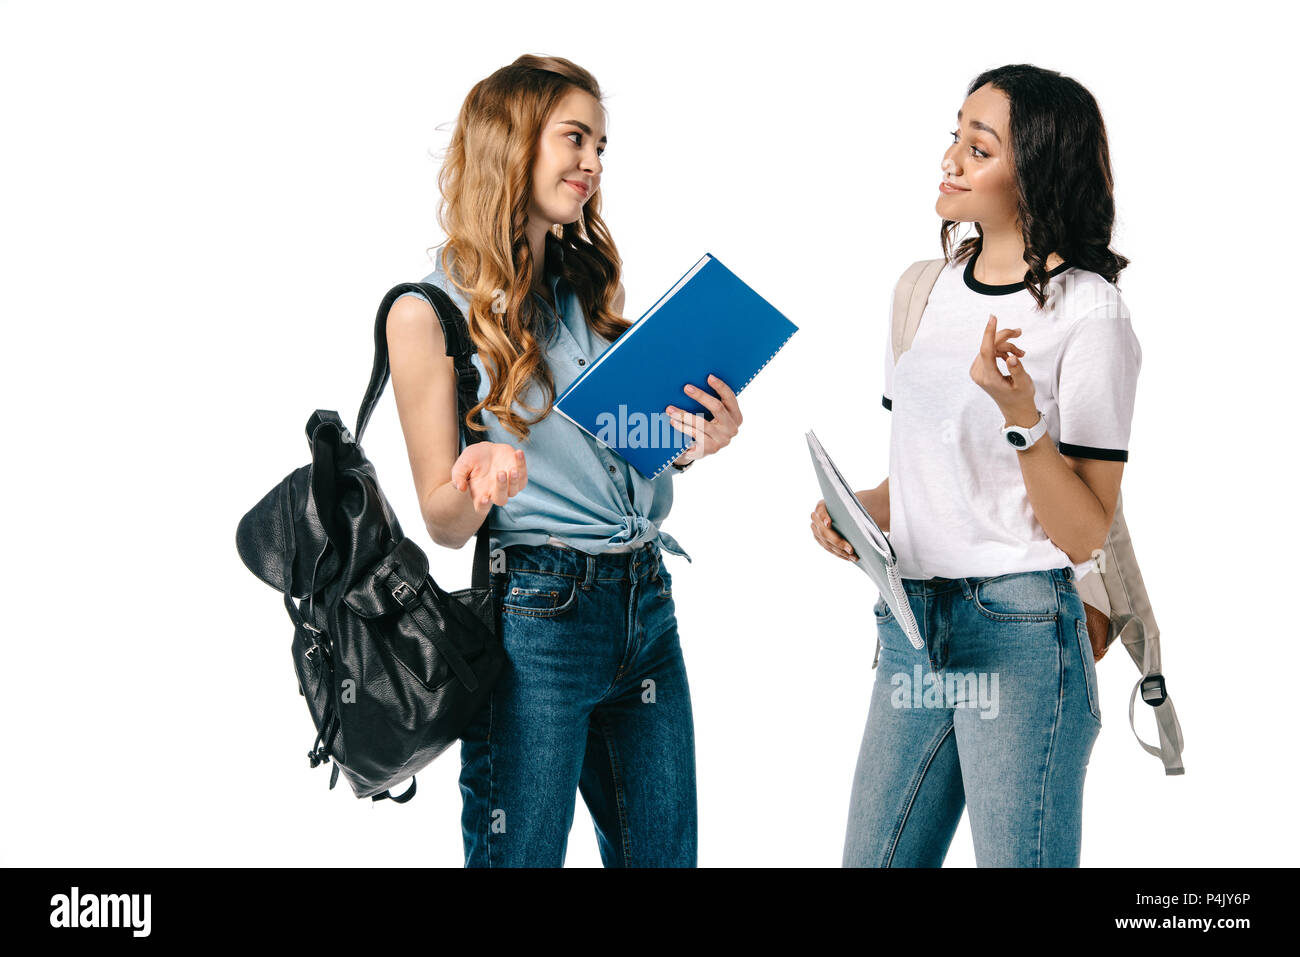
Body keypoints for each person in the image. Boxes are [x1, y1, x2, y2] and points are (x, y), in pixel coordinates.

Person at [385, 55, 743, 867]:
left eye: (602, 146)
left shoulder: (580, 287)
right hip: (536, 617)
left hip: (644, 599)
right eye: (574, 138)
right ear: (510, 143)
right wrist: (475, 482)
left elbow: (614, 453)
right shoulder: (427, 311)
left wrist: (688, 443)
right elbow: (443, 520)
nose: (592, 163)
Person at [812, 64, 1141, 867]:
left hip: (1021, 629)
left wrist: (1022, 417)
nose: (951, 158)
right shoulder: (921, 292)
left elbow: (1084, 527)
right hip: (913, 625)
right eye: (955, 135)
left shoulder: (1088, 310)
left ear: (1033, 169)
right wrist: (856, 510)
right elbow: (927, 479)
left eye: (979, 146)